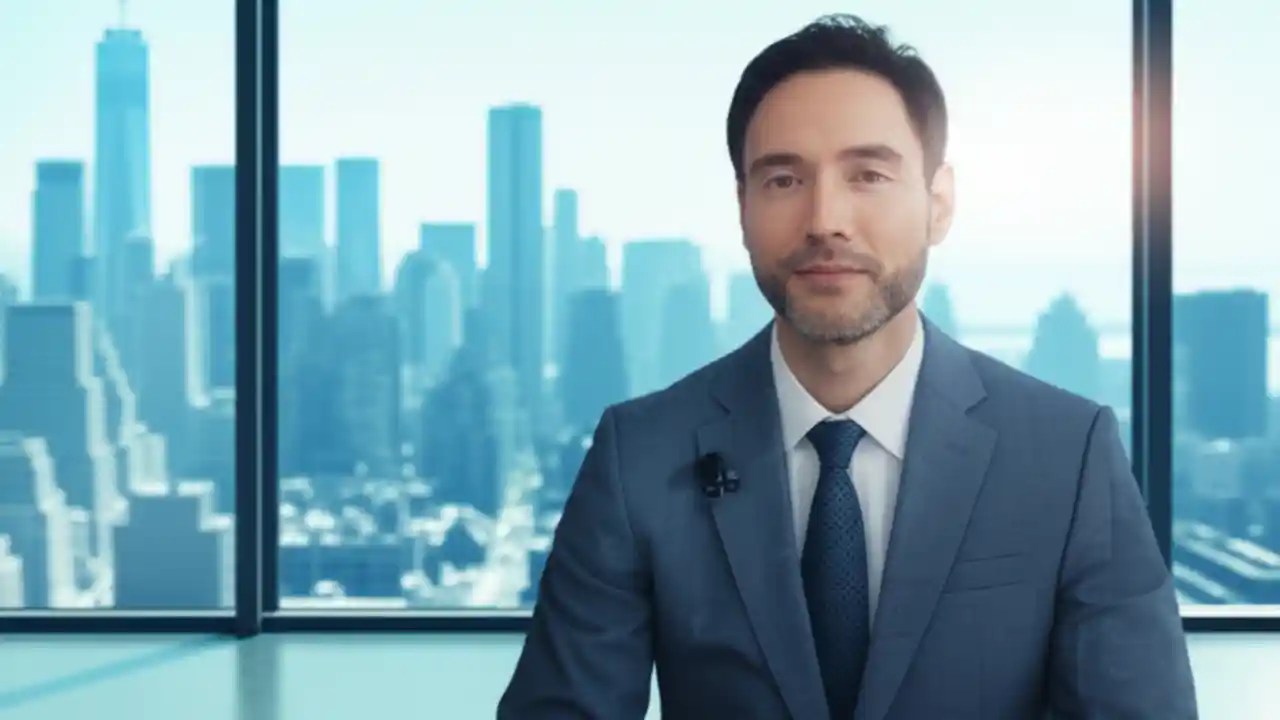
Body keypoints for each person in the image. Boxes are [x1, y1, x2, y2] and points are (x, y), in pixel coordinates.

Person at [498, 13, 1197, 720]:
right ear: (741, 207)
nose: (825, 218)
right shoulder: (641, 453)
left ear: (938, 203)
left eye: (868, 174)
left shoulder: (1065, 453)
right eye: (782, 179)